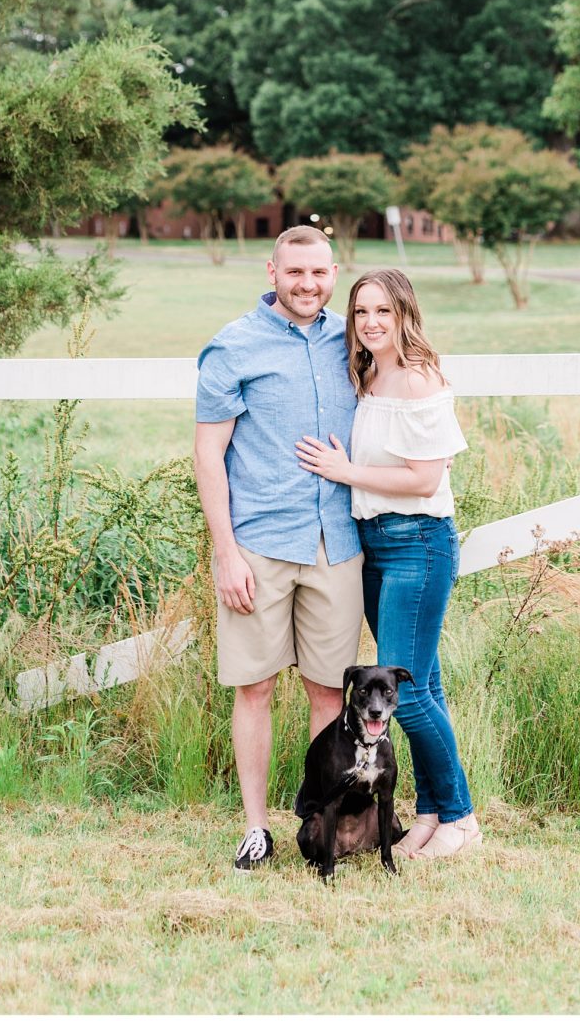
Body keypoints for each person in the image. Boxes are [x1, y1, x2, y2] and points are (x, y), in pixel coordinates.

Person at [296, 268, 482, 859]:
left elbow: (426, 478)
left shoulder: (419, 379)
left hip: (417, 544)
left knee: (410, 692)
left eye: (383, 311)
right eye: (360, 312)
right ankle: (428, 813)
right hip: (374, 543)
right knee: (424, 683)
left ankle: (460, 817)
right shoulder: (370, 372)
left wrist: (345, 471)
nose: (371, 322)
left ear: (404, 313)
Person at [194, 226, 363, 871]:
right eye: (294, 273)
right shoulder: (232, 348)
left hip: (336, 542)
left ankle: (321, 822)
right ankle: (257, 828)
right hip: (259, 543)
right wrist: (225, 552)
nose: (307, 285)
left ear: (333, 272)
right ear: (272, 271)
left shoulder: (353, 338)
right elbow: (208, 454)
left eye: (319, 273)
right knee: (256, 686)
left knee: (328, 692)